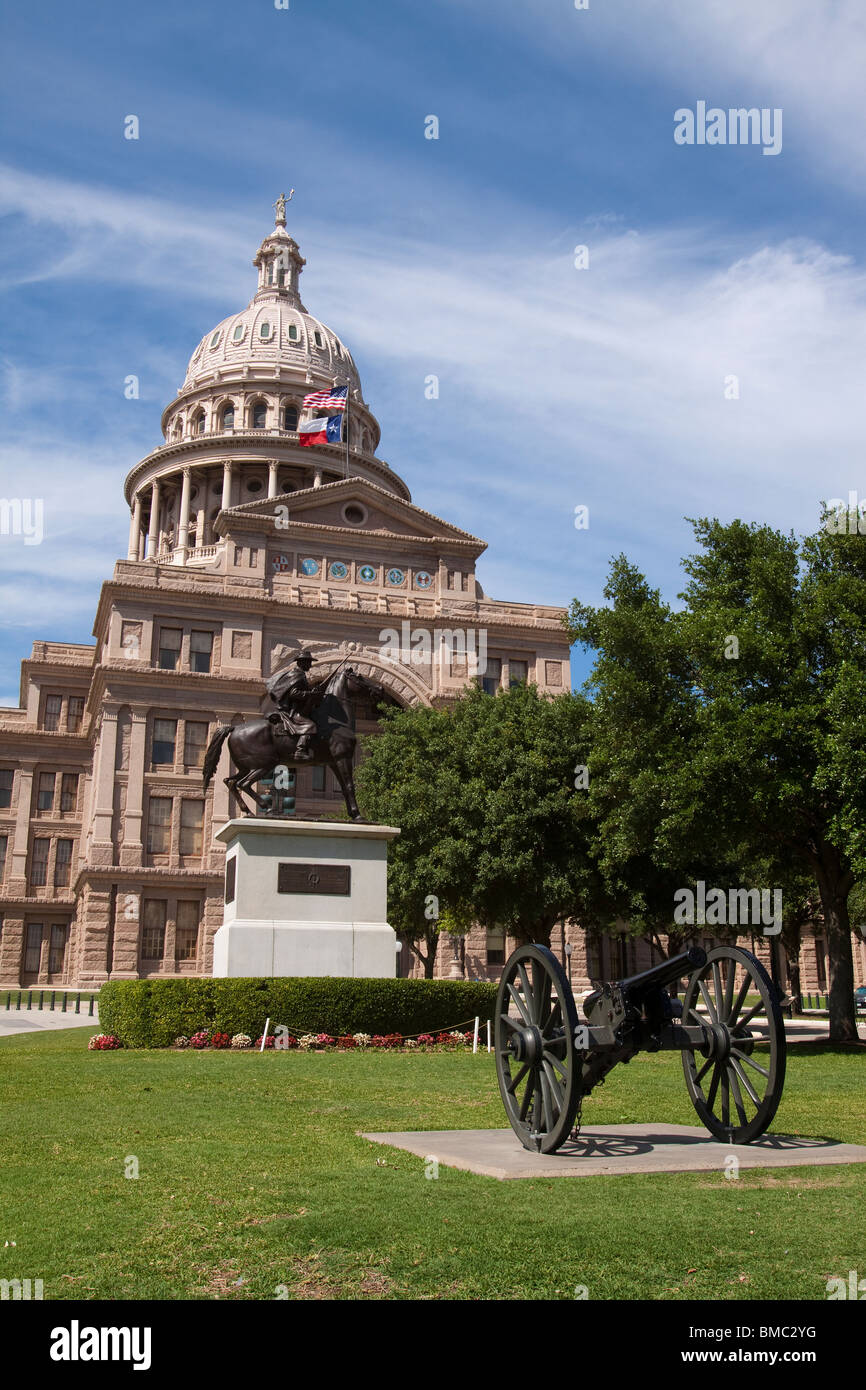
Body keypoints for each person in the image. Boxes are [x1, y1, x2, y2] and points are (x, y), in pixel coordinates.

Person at [267, 650, 318, 760]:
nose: (310, 665)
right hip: (292, 711)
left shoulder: (300, 674)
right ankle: (300, 750)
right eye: (308, 662)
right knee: (310, 725)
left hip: (298, 708)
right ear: (302, 662)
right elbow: (293, 693)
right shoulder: (297, 674)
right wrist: (310, 694)